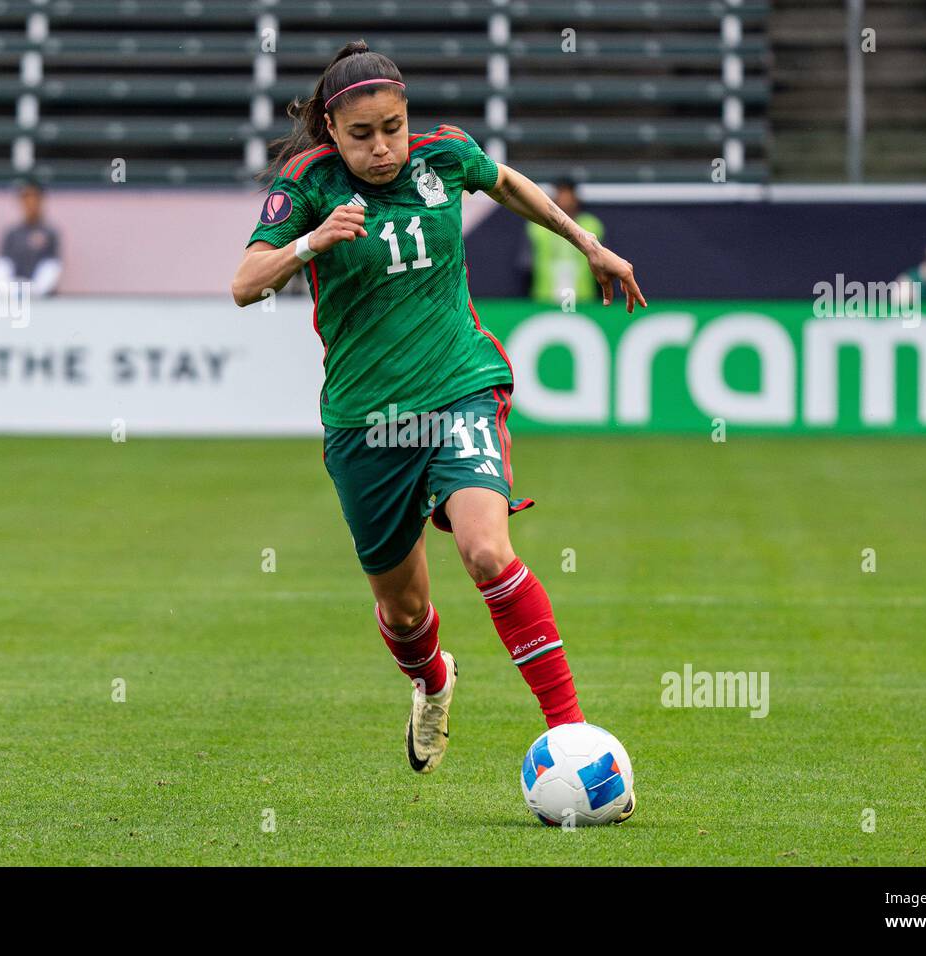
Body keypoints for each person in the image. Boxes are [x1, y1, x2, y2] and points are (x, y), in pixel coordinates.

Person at [231, 41, 645, 809]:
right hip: (366, 422)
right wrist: (312, 240)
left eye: (393, 126)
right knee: (405, 609)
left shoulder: (444, 156)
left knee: (488, 552)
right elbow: (244, 284)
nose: (382, 146)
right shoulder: (308, 184)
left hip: (460, 386)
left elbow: (508, 183)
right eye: (362, 135)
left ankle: (571, 734)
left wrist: (588, 242)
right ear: (332, 128)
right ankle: (432, 680)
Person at [524, 176, 606, 304]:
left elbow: (603, 264)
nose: (565, 200)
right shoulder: (537, 226)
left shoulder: (591, 225)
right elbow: (526, 264)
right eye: (561, 194)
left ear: (575, 197)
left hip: (583, 299)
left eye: (568, 194)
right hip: (545, 298)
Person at [0, 178, 62, 296]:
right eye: (25, 198)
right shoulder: (12, 233)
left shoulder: (50, 233)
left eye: (34, 197)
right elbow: (1, 266)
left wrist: (33, 291)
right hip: (12, 295)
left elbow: (52, 268)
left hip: (40, 299)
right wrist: (11, 290)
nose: (30, 203)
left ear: (40, 200)